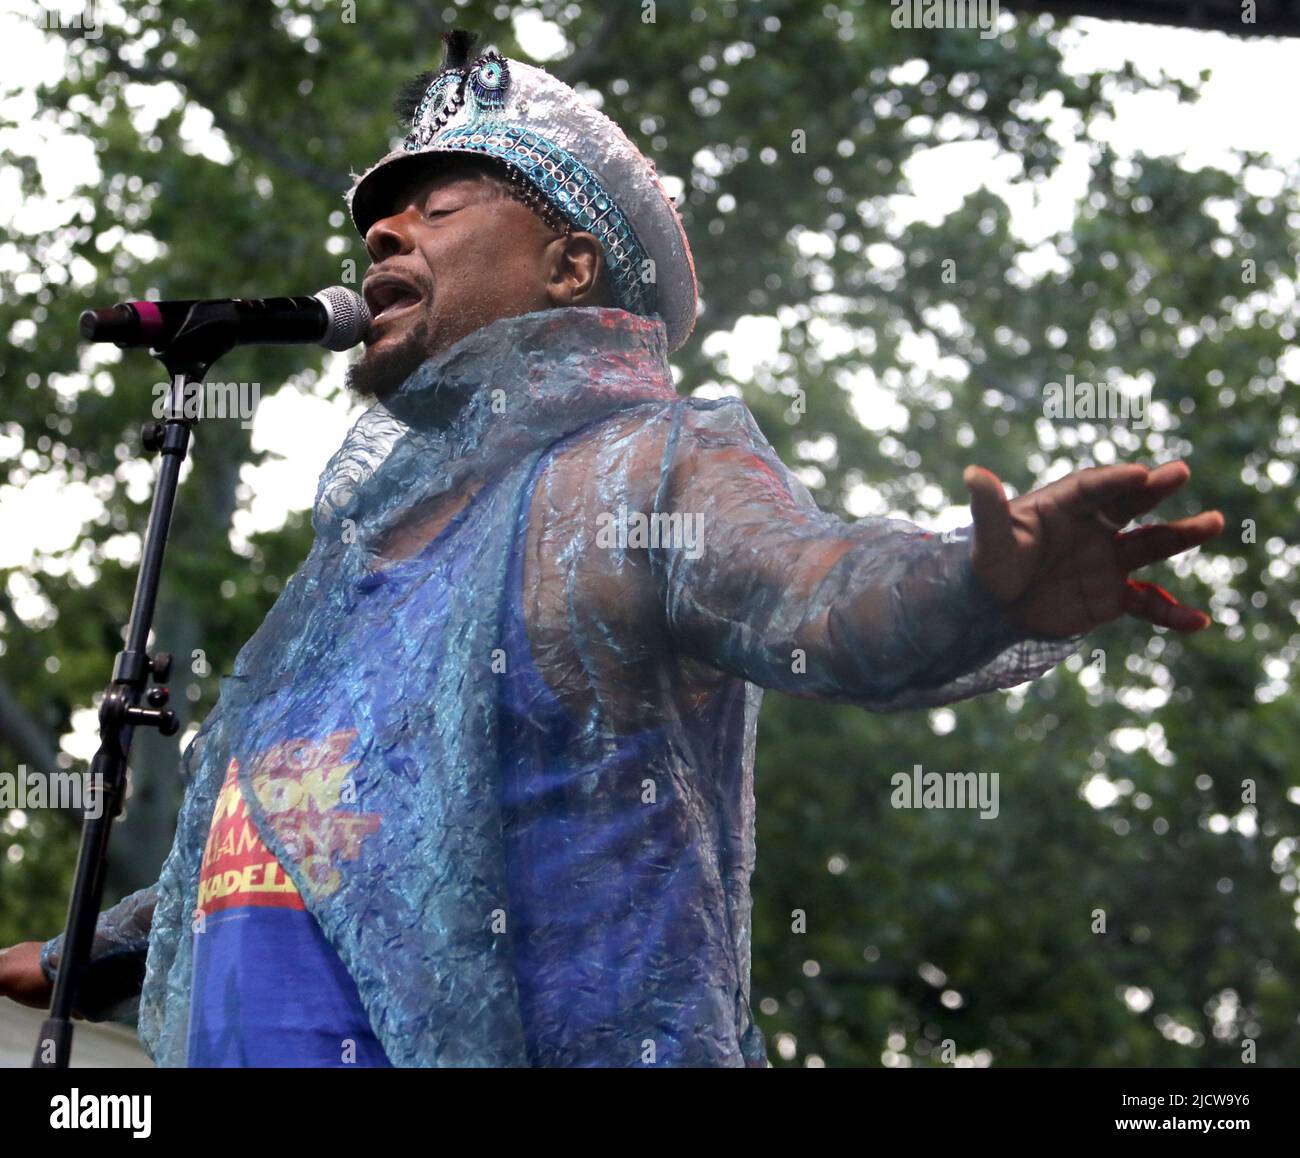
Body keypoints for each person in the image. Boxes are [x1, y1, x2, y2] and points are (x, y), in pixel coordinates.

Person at [0, 30, 1222, 1067]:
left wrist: (972, 586)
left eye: (437, 204)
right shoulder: (354, 567)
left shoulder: (644, 463)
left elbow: (807, 588)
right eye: (373, 217)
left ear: (569, 265)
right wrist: (68, 960)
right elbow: (312, 831)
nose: (381, 236)